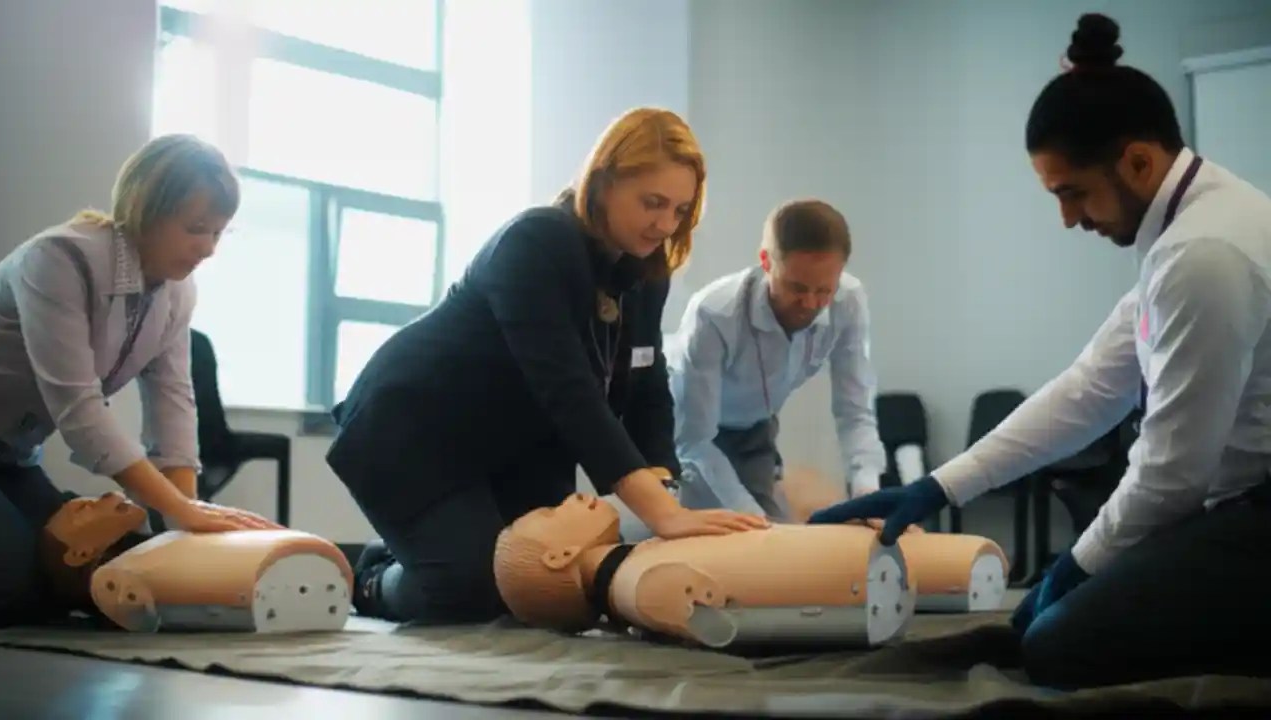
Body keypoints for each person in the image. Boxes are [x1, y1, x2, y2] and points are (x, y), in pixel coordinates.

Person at [808, 13, 1271, 689]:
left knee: (1059, 647)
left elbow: (1173, 473)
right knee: (1062, 625)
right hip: (1233, 509)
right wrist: (940, 486)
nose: (1068, 219)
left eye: (1073, 193)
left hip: (1255, 515)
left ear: (1139, 161)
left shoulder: (1205, 254)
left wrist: (1075, 565)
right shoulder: (1186, 232)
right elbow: (1088, 389)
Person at [327, 108, 769, 626]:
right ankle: (374, 576)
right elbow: (569, 390)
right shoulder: (536, 241)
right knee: (471, 590)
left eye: (679, 210)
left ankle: (421, 547)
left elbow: (649, 388)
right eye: (652, 203)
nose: (665, 224)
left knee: (540, 581)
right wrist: (663, 516)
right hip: (412, 429)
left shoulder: (647, 273)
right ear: (603, 181)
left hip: (517, 443)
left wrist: (665, 486)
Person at [0, 134, 280, 627]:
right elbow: (80, 409)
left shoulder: (177, 291)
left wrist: (185, 519)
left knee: (118, 566)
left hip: (10, 457)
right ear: (147, 209)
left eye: (218, 233)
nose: (207, 249)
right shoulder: (59, 259)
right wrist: (181, 511)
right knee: (11, 592)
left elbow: (173, 404)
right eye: (195, 229)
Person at [665, 199, 885, 520]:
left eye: (824, 289)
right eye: (797, 287)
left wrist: (868, 494)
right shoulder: (714, 313)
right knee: (728, 538)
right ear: (766, 261)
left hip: (757, 428)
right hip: (684, 428)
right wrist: (753, 520)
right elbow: (695, 439)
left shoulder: (848, 301)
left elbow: (855, 411)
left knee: (775, 538)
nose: (810, 303)